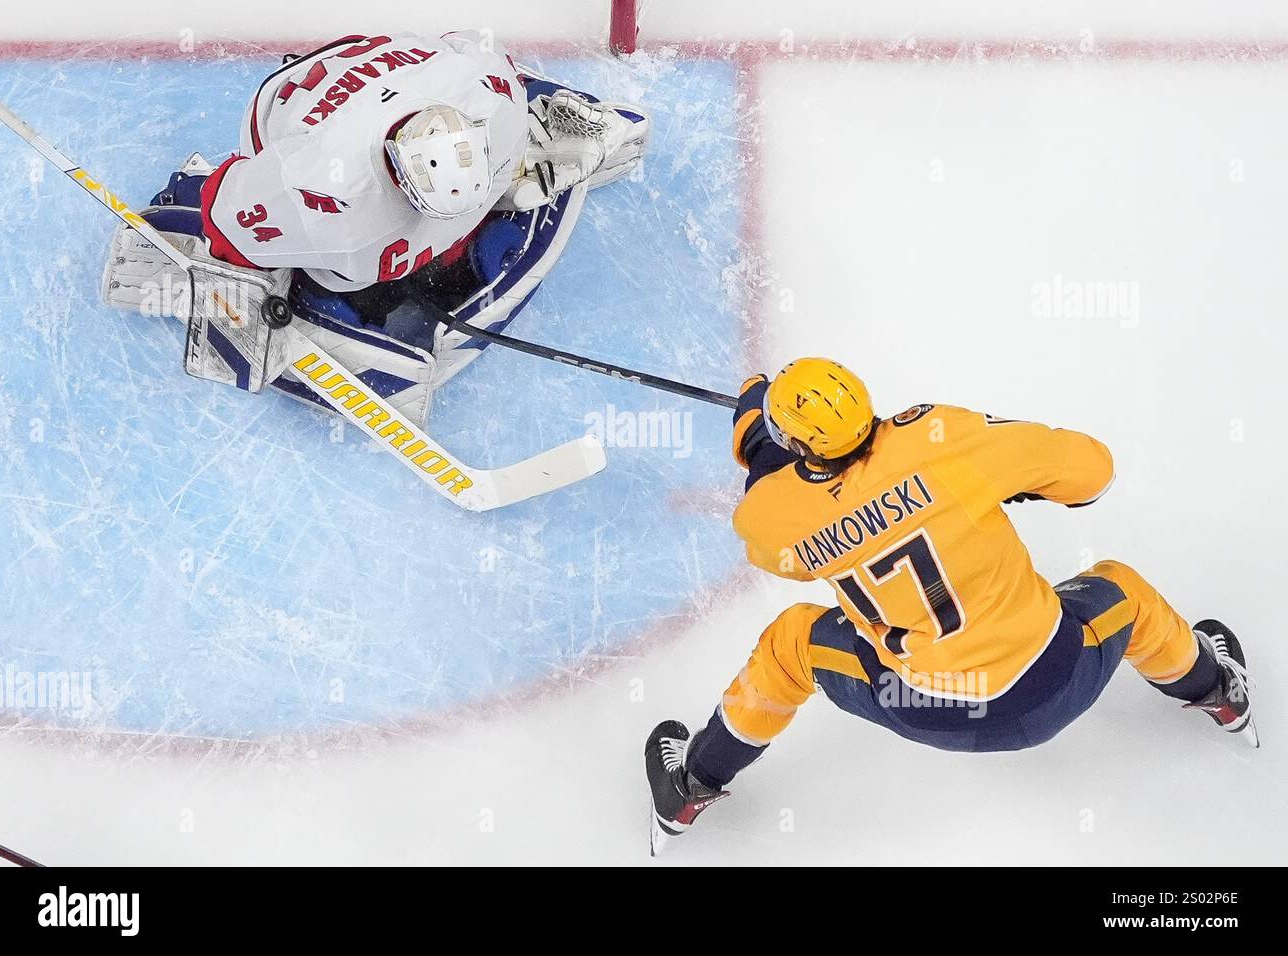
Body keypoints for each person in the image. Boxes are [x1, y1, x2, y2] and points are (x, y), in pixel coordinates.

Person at [644, 358, 1256, 853]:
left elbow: (772, 528)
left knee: (791, 644)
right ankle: (1219, 693)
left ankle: (694, 784)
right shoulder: (940, 438)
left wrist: (758, 436)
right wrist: (1003, 469)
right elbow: (1094, 472)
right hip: (1058, 674)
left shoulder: (772, 516)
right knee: (1122, 588)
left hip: (927, 706)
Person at [100, 30, 647, 421]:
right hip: (294, 108)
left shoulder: (492, 101)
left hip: (386, 74)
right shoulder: (321, 193)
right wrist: (239, 288)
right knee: (331, 287)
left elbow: (462, 48)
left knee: (433, 261)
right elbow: (227, 215)